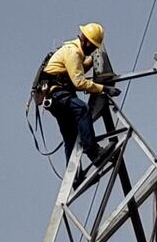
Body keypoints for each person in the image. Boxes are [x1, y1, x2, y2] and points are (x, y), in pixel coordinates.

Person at [38, 23, 108, 166]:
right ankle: (93, 152)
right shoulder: (73, 52)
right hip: (57, 95)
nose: (93, 49)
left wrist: (94, 60)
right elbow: (79, 82)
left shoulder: (76, 52)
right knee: (82, 110)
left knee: (70, 136)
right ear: (86, 41)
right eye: (93, 47)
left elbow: (77, 70)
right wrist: (103, 88)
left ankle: (74, 175)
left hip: (55, 97)